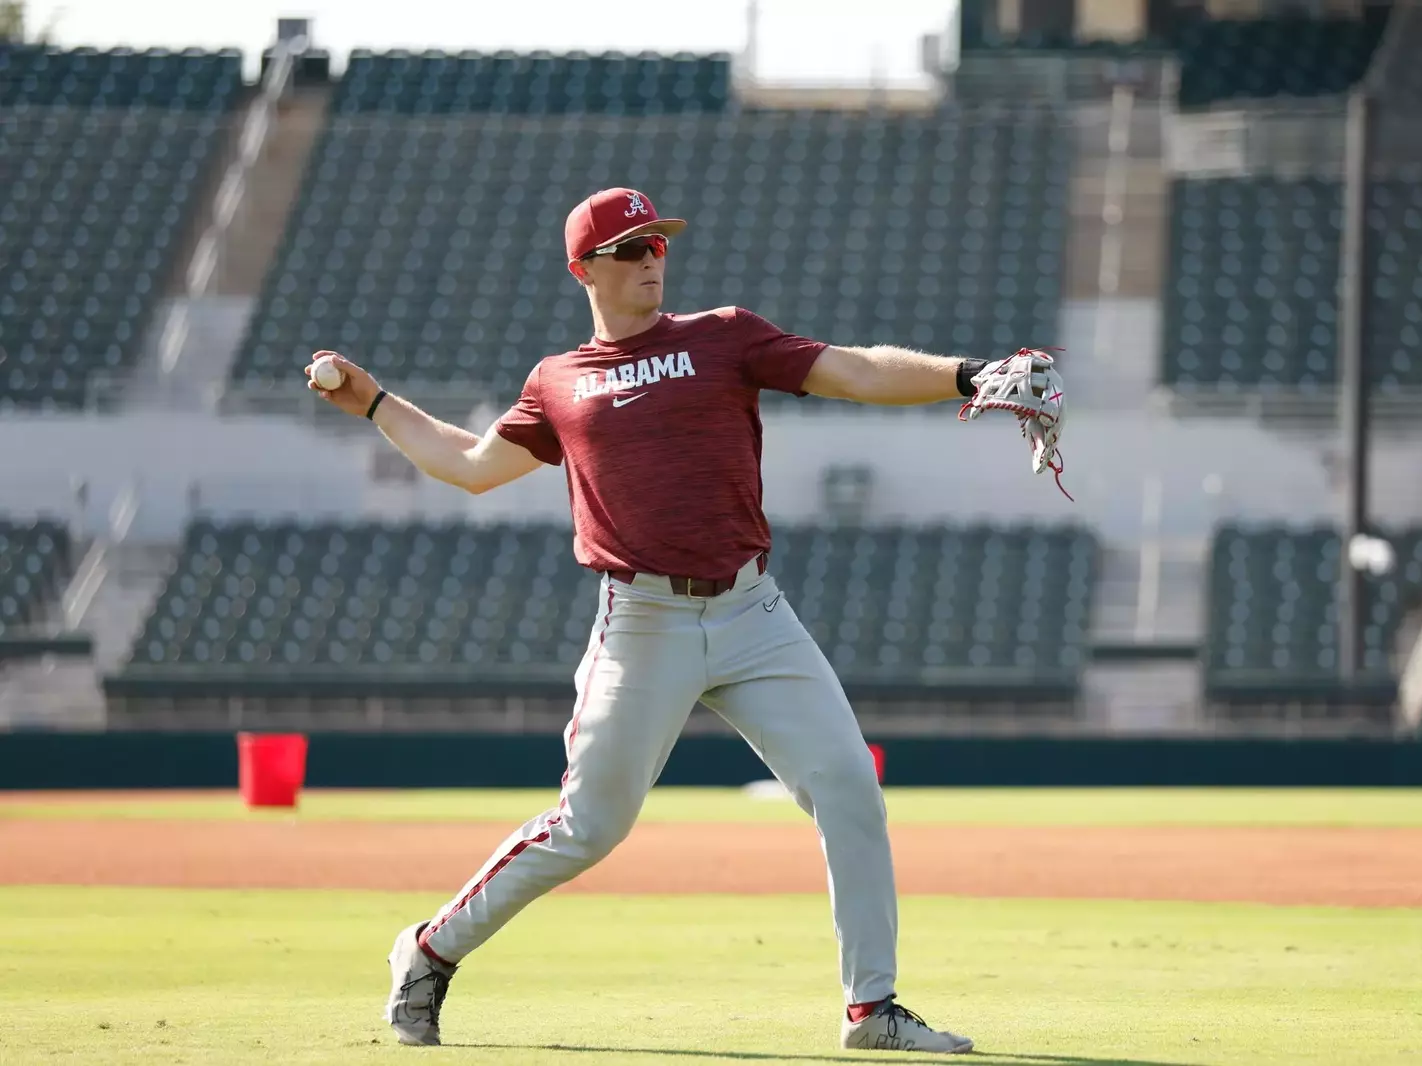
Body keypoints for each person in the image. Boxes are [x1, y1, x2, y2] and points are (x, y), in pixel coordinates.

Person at [306, 187, 1046, 1054]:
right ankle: (429, 949)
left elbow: (850, 369)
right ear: (585, 268)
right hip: (642, 622)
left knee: (849, 785)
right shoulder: (559, 381)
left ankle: (872, 1009)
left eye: (657, 241)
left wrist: (965, 374)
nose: (652, 256)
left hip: (753, 609)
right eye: (629, 248)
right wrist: (373, 403)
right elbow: (467, 466)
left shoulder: (724, 334)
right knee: (590, 826)